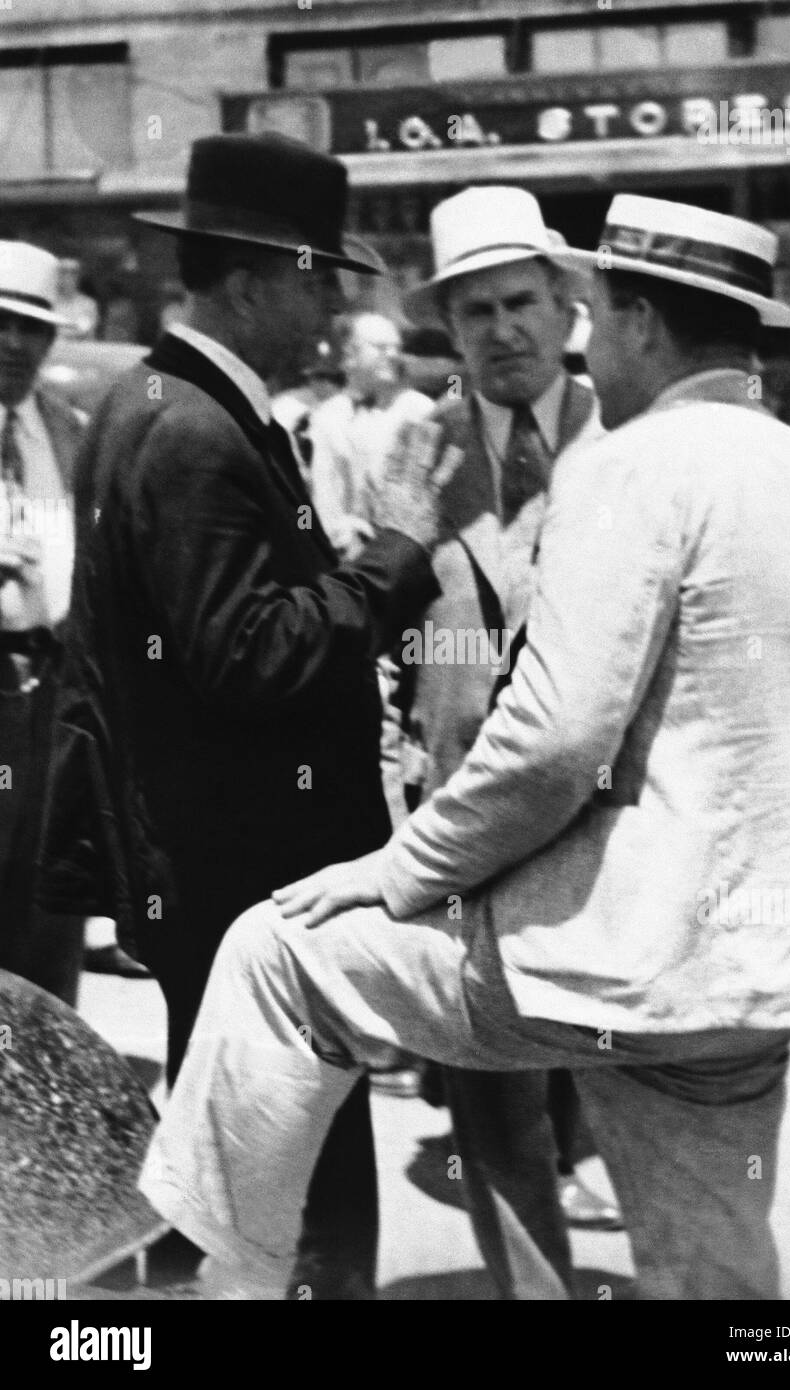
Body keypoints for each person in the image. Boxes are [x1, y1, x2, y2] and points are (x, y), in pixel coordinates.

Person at [138, 194, 790, 1301]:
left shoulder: (630, 465)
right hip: (754, 974)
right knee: (713, 1273)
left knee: (275, 953)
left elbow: (555, 740)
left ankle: (231, 1290)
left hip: (603, 952)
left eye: (584, 312)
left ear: (634, 321)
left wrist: (397, 870)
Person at [36, 133, 456, 1299]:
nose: (330, 307)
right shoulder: (191, 427)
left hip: (208, 865)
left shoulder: (175, 399)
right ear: (252, 279)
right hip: (242, 874)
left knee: (239, 1173)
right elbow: (249, 655)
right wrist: (398, 552)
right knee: (297, 1177)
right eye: (320, 277)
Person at [388, 185, 617, 1298]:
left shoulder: (625, 437)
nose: (503, 331)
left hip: (613, 828)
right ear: (448, 325)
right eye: (474, 312)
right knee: (491, 1106)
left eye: (520, 302)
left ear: (567, 303)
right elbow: (367, 611)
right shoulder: (416, 453)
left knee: (631, 1092)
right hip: (462, 828)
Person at [0, 241, 85, 1007]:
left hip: (52, 694)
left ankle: (42, 1096)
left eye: (33, 329)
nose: (15, 344)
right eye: (0, 323)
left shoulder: (68, 432)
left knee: (47, 899)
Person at [309, 312, 434, 559]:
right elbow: (325, 499)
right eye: (380, 347)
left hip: (417, 555)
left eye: (396, 348)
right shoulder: (327, 417)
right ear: (351, 354)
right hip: (354, 559)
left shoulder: (419, 410)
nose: (392, 355)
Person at [54, 258, 99, 342]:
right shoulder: (49, 302)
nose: (68, 276)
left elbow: (84, 330)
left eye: (73, 272)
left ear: (79, 277)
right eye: (63, 272)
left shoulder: (88, 304)